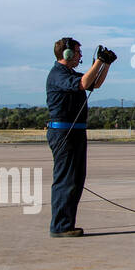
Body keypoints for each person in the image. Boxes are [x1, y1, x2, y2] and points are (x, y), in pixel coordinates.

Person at [45, 37, 112, 237]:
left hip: (75, 131)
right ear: (67, 54)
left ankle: (66, 224)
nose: (80, 56)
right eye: (78, 52)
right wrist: (98, 61)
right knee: (66, 180)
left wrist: (105, 64)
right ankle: (60, 226)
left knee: (75, 179)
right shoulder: (58, 74)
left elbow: (94, 84)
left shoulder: (68, 74)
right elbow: (84, 83)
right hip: (64, 133)